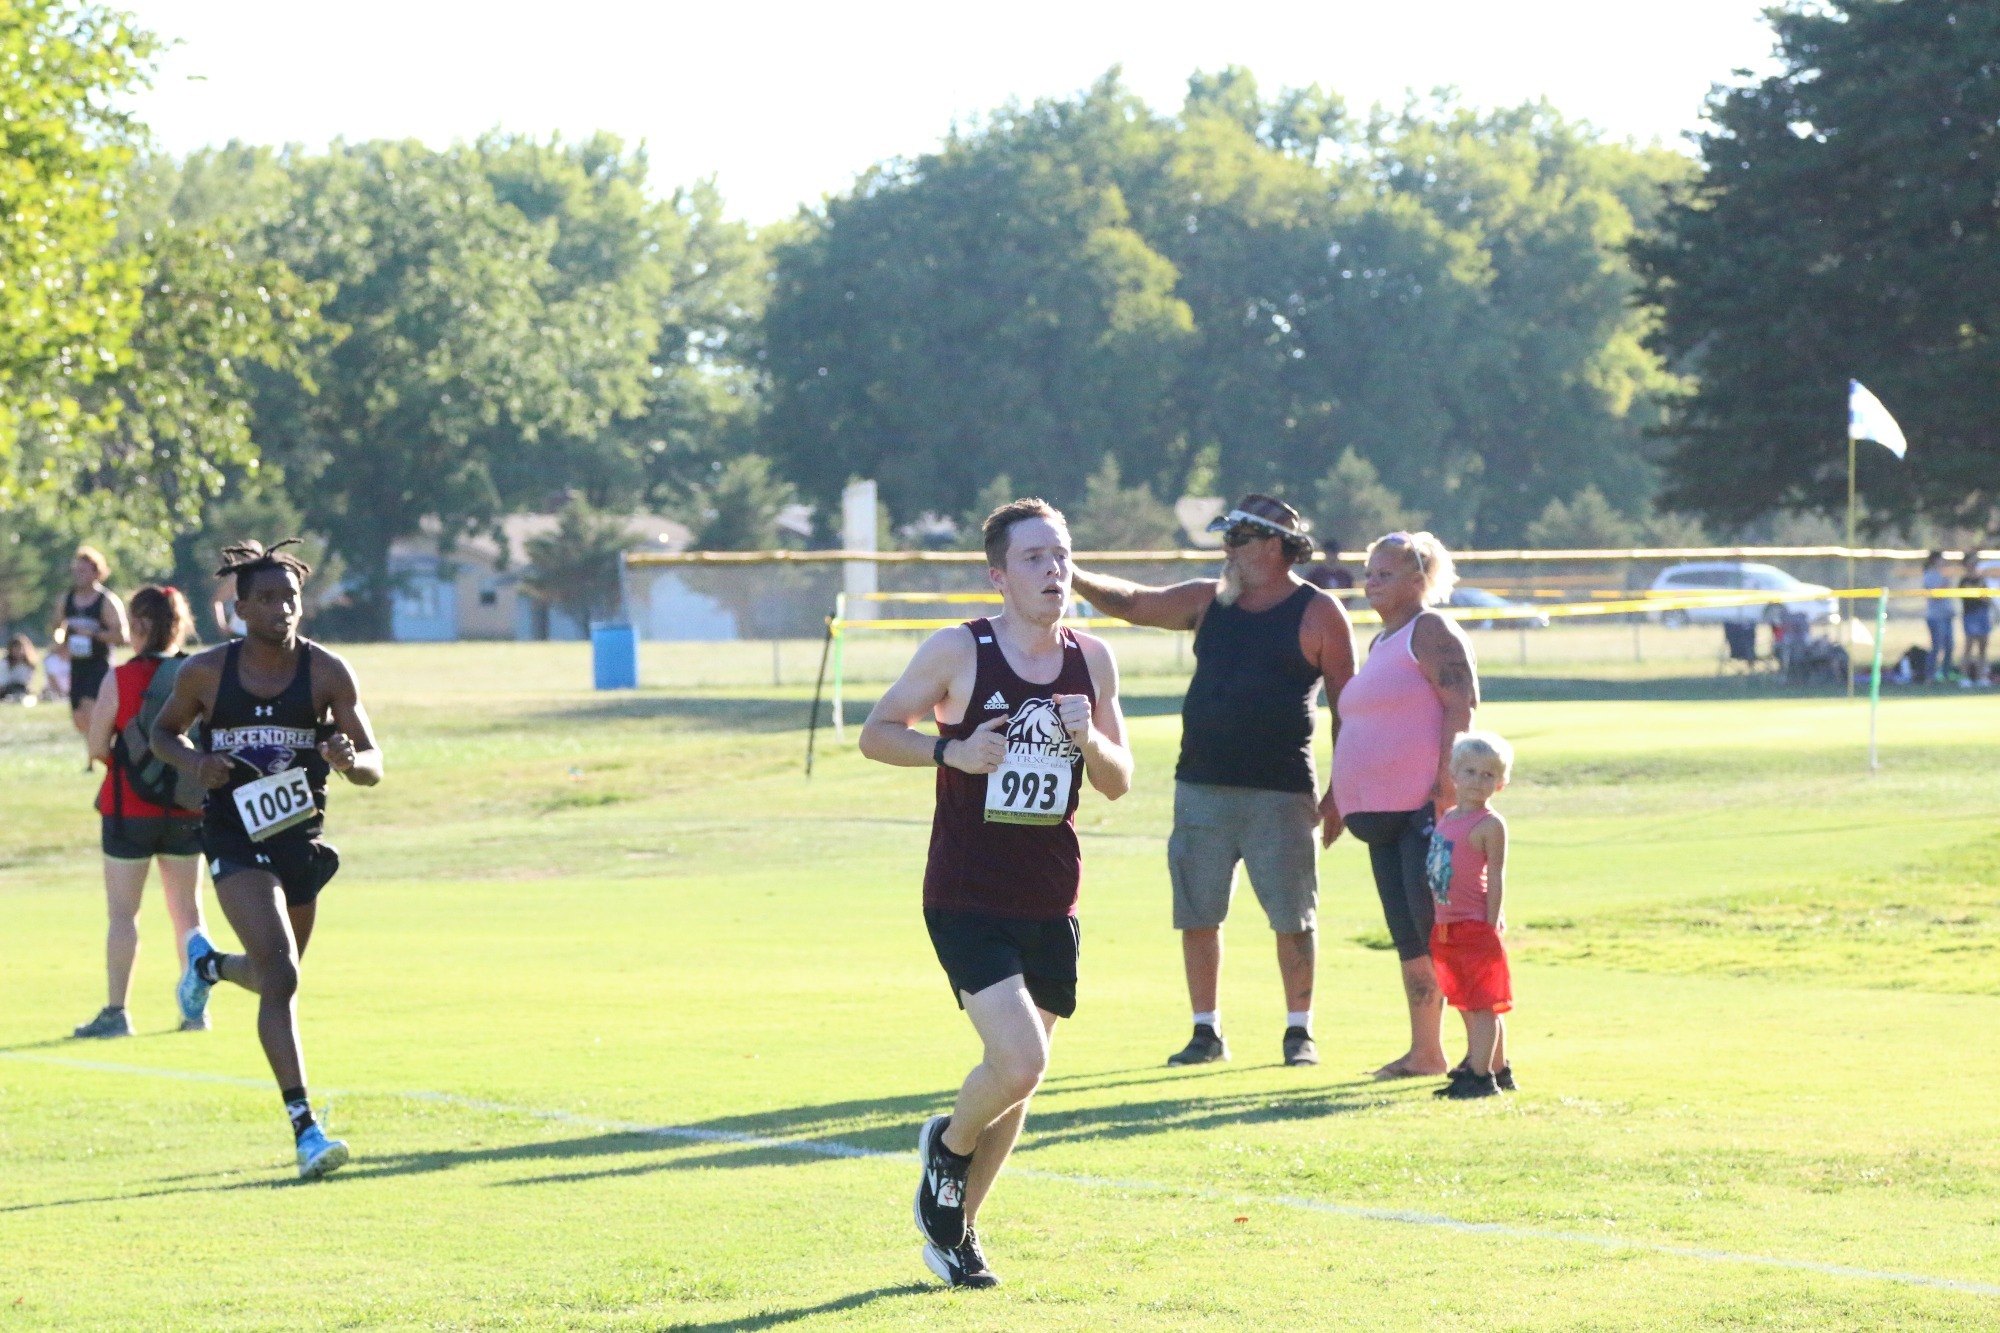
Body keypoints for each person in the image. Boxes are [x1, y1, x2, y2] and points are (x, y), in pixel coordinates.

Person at [859, 498, 1132, 1289]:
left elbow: (1118, 782)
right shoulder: (959, 649)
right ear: (999, 573)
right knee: (1019, 1060)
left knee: (1023, 1079)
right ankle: (945, 1145)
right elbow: (878, 731)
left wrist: (1091, 738)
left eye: (1064, 555)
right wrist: (953, 749)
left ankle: (958, 1233)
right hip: (967, 891)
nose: (1056, 571)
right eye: (1036, 558)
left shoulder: (1094, 659)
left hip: (1052, 895)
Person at [1070, 495, 1355, 1067]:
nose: (1225, 549)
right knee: (1199, 913)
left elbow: (1350, 709)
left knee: (1293, 916)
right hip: (1201, 784)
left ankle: (1299, 1031)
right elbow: (1134, 604)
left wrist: (1342, 791)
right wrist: (1071, 574)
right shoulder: (1209, 599)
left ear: (1273, 547)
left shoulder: (1319, 612)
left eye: (1237, 540)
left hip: (1282, 789)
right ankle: (1207, 1031)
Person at [150, 539, 384, 1181]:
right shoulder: (204, 672)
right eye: (269, 599)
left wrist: (346, 761)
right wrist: (198, 762)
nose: (283, 609)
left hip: (298, 842)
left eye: (292, 598)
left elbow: (374, 763)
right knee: (280, 976)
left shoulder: (327, 671)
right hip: (233, 838)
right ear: (240, 607)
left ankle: (207, 965)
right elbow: (162, 734)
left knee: (273, 976)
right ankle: (307, 1129)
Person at [1333, 531, 1478, 1080]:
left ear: (1419, 579)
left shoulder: (1431, 631)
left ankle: (1480, 1052)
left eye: (1384, 573)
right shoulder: (1381, 643)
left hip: (1423, 813)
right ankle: (1426, 1052)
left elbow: (1460, 704)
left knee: (1440, 930)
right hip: (1381, 819)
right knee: (1410, 938)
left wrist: (1446, 790)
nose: (1371, 582)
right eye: (1369, 572)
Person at [72, 586, 212, 1039]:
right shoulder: (198, 674)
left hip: (128, 810)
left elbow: (96, 746)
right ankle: (195, 1014)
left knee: (122, 917)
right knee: (189, 915)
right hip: (187, 810)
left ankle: (117, 1013)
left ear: (138, 626)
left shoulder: (120, 679)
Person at [1427, 731, 1514, 1100]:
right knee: (1465, 1000)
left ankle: (1480, 1079)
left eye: (1489, 775)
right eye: (1471, 772)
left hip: (1474, 924)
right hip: (1446, 925)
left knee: (1484, 1004)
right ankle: (1496, 1066)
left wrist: (1491, 921)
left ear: (1501, 781)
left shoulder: (1490, 825)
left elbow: (1495, 876)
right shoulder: (1448, 816)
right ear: (1453, 774)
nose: (1479, 781)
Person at [51, 546, 129, 752]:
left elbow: (122, 636)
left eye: (84, 571)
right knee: (79, 717)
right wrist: (61, 645)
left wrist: (94, 634)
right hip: (76, 664)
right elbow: (57, 628)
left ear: (97, 573)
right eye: (76, 571)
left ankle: (96, 757)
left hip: (99, 664)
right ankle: (98, 750)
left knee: (91, 709)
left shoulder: (107, 601)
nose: (79, 576)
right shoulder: (66, 600)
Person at [1922, 551, 1955, 683]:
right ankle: (1930, 676)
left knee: (1949, 646)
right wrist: (1945, 584)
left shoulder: (1943, 574)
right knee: (1936, 646)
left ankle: (1945, 674)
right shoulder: (1929, 575)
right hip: (1936, 617)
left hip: (1947, 615)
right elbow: (1936, 595)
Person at [1959, 552, 1991, 688]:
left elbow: (1986, 598)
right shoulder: (1964, 581)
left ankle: (1981, 676)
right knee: (1969, 646)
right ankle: (1965, 677)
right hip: (1970, 615)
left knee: (1982, 647)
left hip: (1983, 614)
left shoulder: (1982, 580)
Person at [2, 634, 37, 702]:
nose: (19, 652)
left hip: (22, 690)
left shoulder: (28, 664)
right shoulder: (5, 663)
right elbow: (3, 682)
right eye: (16, 648)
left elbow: (27, 682)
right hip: (6, 690)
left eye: (21, 648)